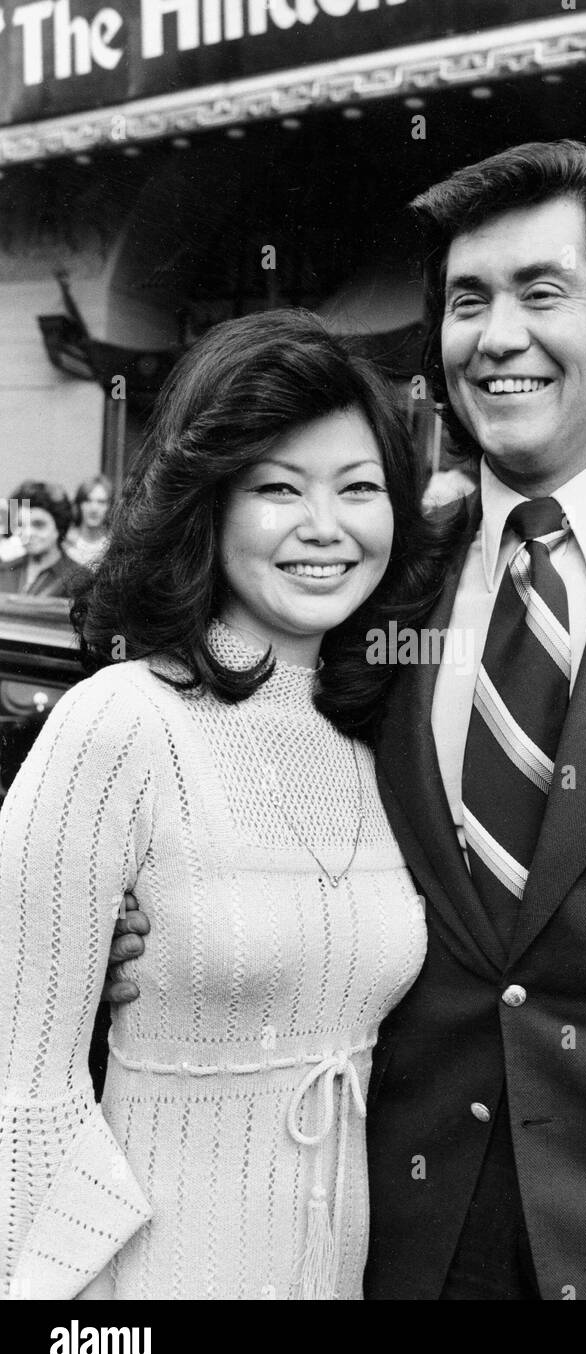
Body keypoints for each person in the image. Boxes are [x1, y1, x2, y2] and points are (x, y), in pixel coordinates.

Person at [107, 141, 586, 1301]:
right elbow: (261, 792)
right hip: (397, 1227)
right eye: (463, 300)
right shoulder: (379, 574)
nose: (494, 336)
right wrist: (140, 931)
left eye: (540, 292)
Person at [0, 308, 453, 1300]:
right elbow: (22, 1087)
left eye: (359, 489)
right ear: (206, 506)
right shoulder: (118, 722)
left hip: (336, 1268)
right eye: (277, 489)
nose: (323, 527)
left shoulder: (385, 735)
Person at [0, 482, 86, 598]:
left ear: (59, 527)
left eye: (39, 524)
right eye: (20, 525)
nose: (28, 533)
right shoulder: (4, 570)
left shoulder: (80, 579)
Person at [65, 475, 113, 568]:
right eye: (88, 501)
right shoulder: (65, 543)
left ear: (109, 506)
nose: (94, 508)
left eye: (101, 502)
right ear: (79, 505)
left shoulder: (113, 547)